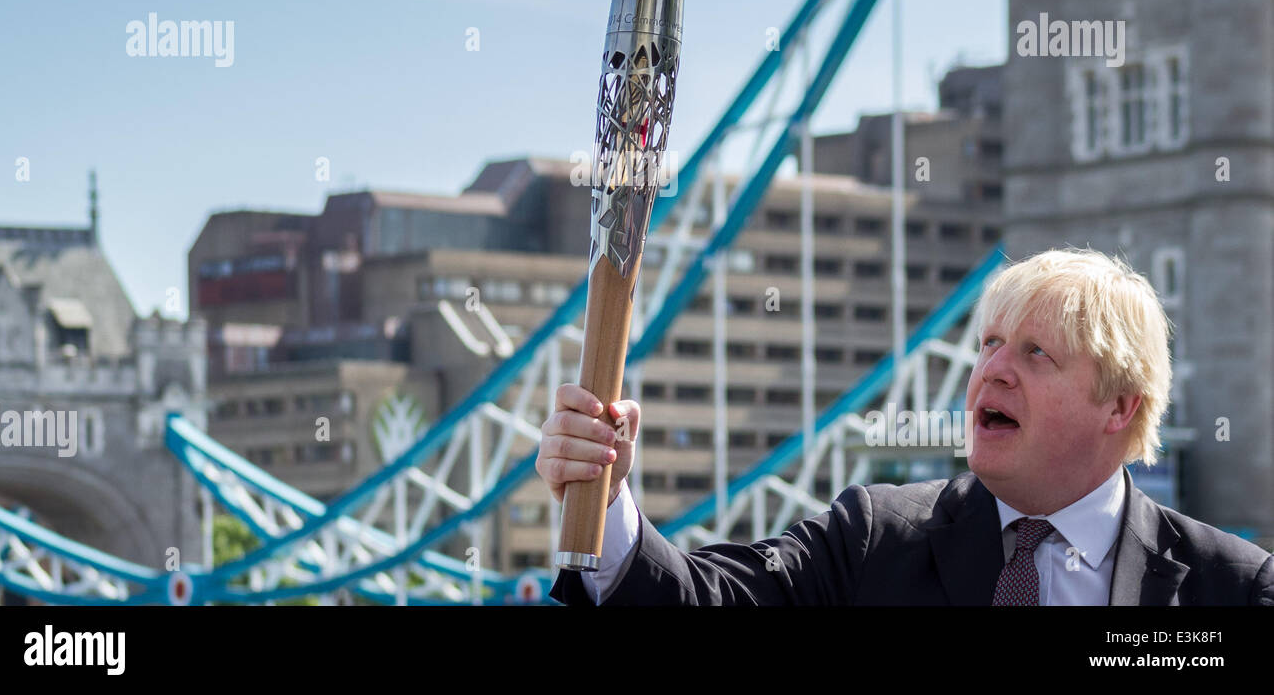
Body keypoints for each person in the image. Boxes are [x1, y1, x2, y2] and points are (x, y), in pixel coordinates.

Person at [537, 247, 1274, 605]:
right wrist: (605, 502)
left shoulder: (1235, 589)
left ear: (1121, 407)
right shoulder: (872, 539)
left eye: (1036, 353)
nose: (991, 371)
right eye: (989, 344)